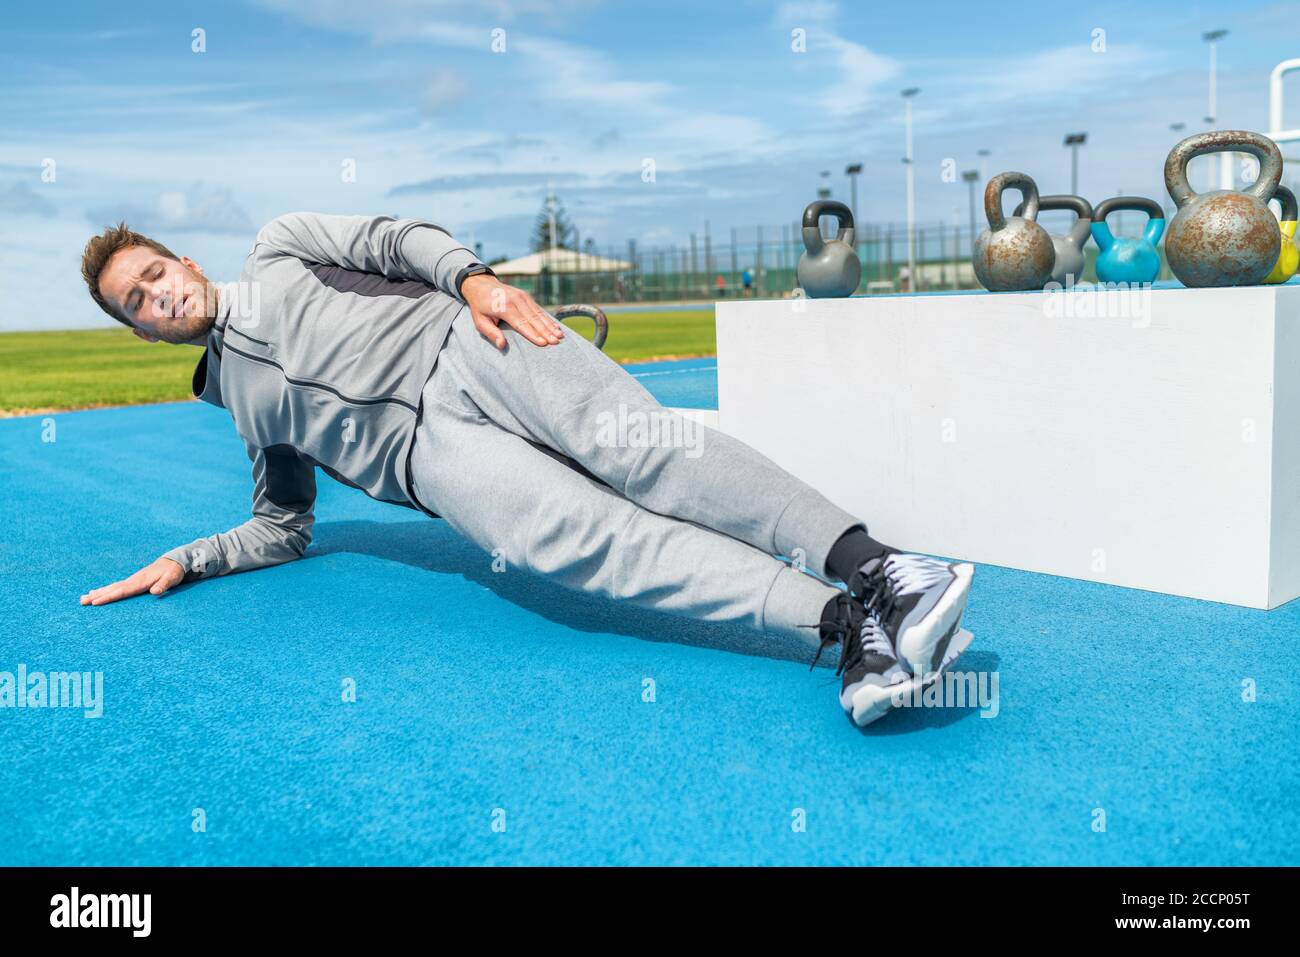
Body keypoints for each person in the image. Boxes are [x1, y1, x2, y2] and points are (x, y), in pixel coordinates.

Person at [77, 213, 975, 727]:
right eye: (140, 302)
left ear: (183, 261)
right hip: (437, 462)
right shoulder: (238, 402)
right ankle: (847, 620)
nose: (160, 294)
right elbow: (284, 522)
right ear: (141, 330)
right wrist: (191, 558)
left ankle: (882, 566)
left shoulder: (278, 246)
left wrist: (475, 282)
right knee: (591, 545)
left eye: (157, 273)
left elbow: (397, 240)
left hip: (469, 344)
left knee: (644, 451)